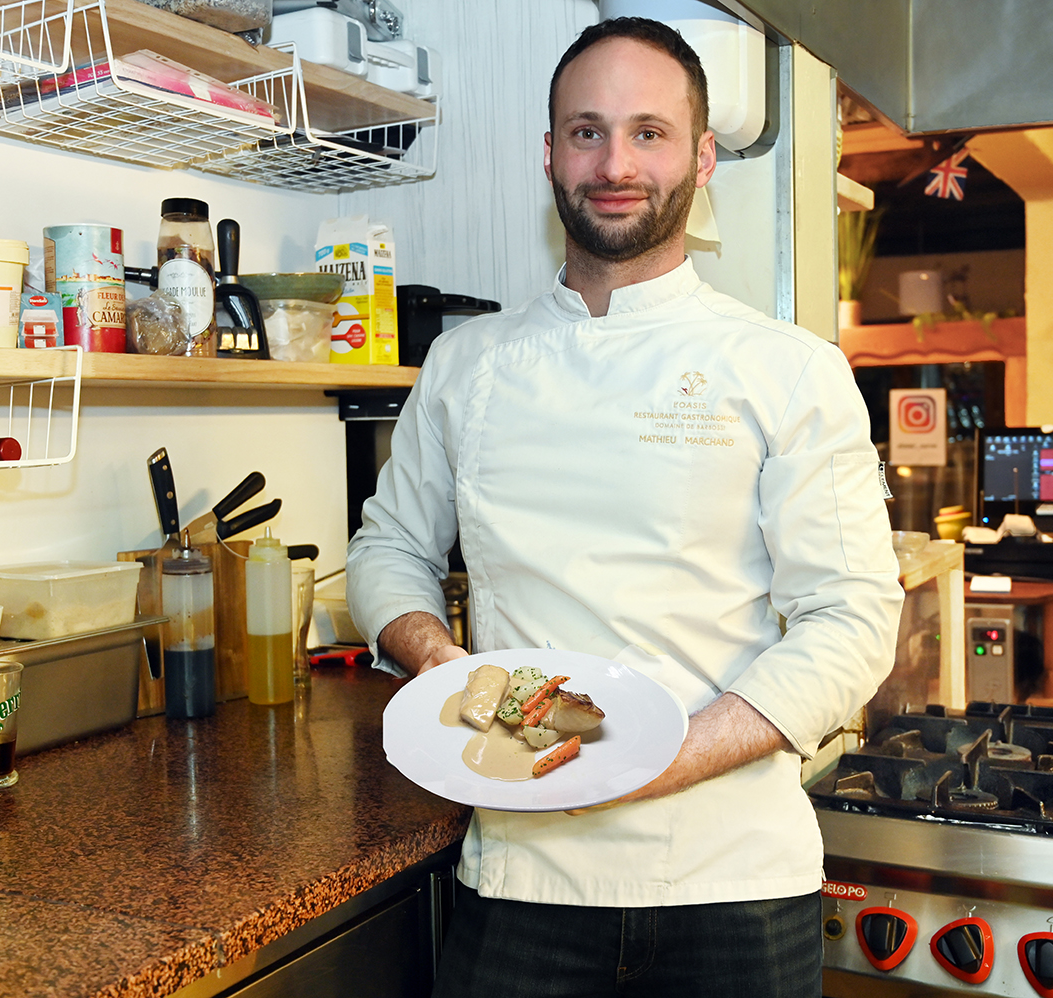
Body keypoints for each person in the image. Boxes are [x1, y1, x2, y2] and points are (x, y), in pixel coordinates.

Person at [347, 16, 903, 998]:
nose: (614, 161)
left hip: (734, 886)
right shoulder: (465, 365)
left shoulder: (787, 369)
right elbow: (388, 545)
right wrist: (442, 664)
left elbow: (853, 618)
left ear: (703, 157)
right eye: (587, 130)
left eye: (649, 131)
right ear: (550, 152)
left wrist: (665, 758)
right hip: (521, 881)